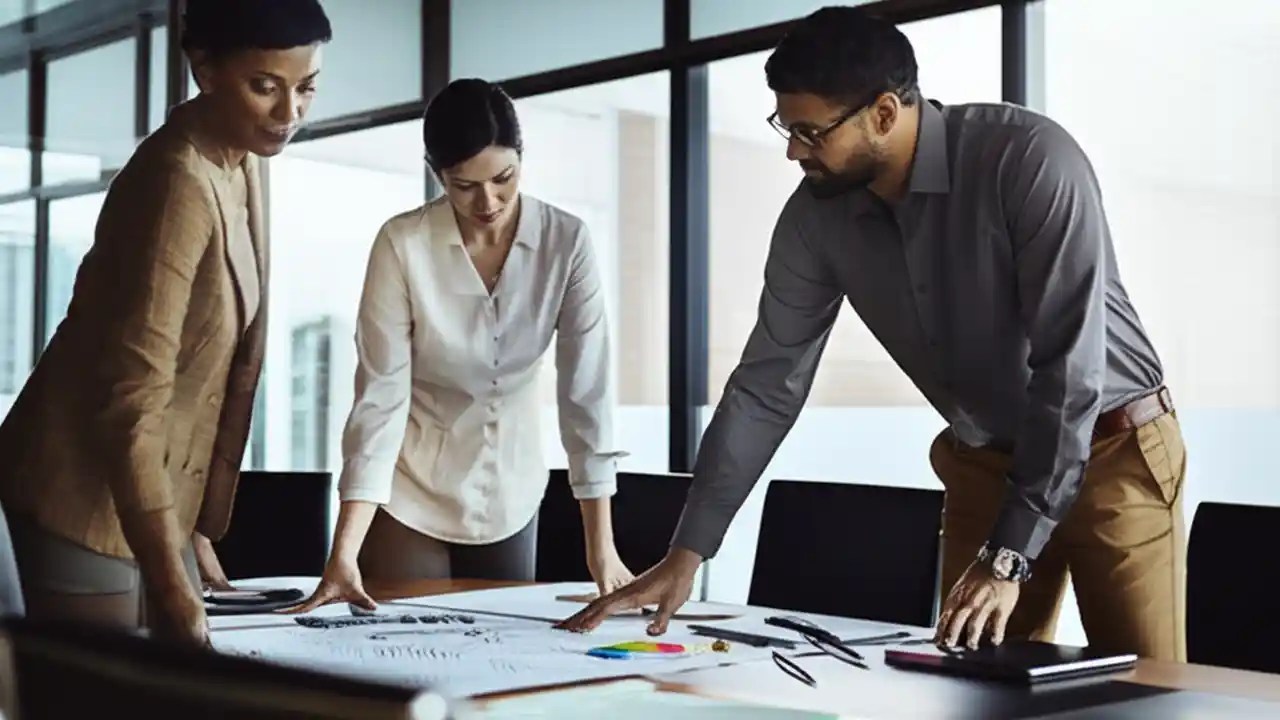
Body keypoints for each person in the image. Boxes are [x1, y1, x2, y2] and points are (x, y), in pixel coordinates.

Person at [559, 6, 1187, 663]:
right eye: (785, 126)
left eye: (809, 131)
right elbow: (766, 388)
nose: (793, 150)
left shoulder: (1028, 160)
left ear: (884, 113)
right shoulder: (813, 220)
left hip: (1113, 449)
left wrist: (1007, 556)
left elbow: (1069, 366)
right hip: (982, 462)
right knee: (975, 683)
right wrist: (685, 556)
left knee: (1147, 690)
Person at [0, 0, 331, 645]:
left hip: (153, 494)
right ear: (203, 68)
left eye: (306, 88)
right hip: (81, 495)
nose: (289, 114)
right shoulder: (175, 180)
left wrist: (194, 527)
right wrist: (172, 583)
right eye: (264, 87)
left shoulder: (245, 157)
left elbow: (223, 368)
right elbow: (132, 397)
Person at [287, 79, 633, 615]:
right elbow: (381, 396)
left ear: (522, 157)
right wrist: (343, 552)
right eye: (463, 185)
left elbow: (585, 395)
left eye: (503, 178)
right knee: (400, 653)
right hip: (410, 489)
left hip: (512, 493)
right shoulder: (402, 243)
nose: (487, 201)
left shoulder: (567, 242)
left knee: (499, 657)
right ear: (437, 174)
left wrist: (601, 549)